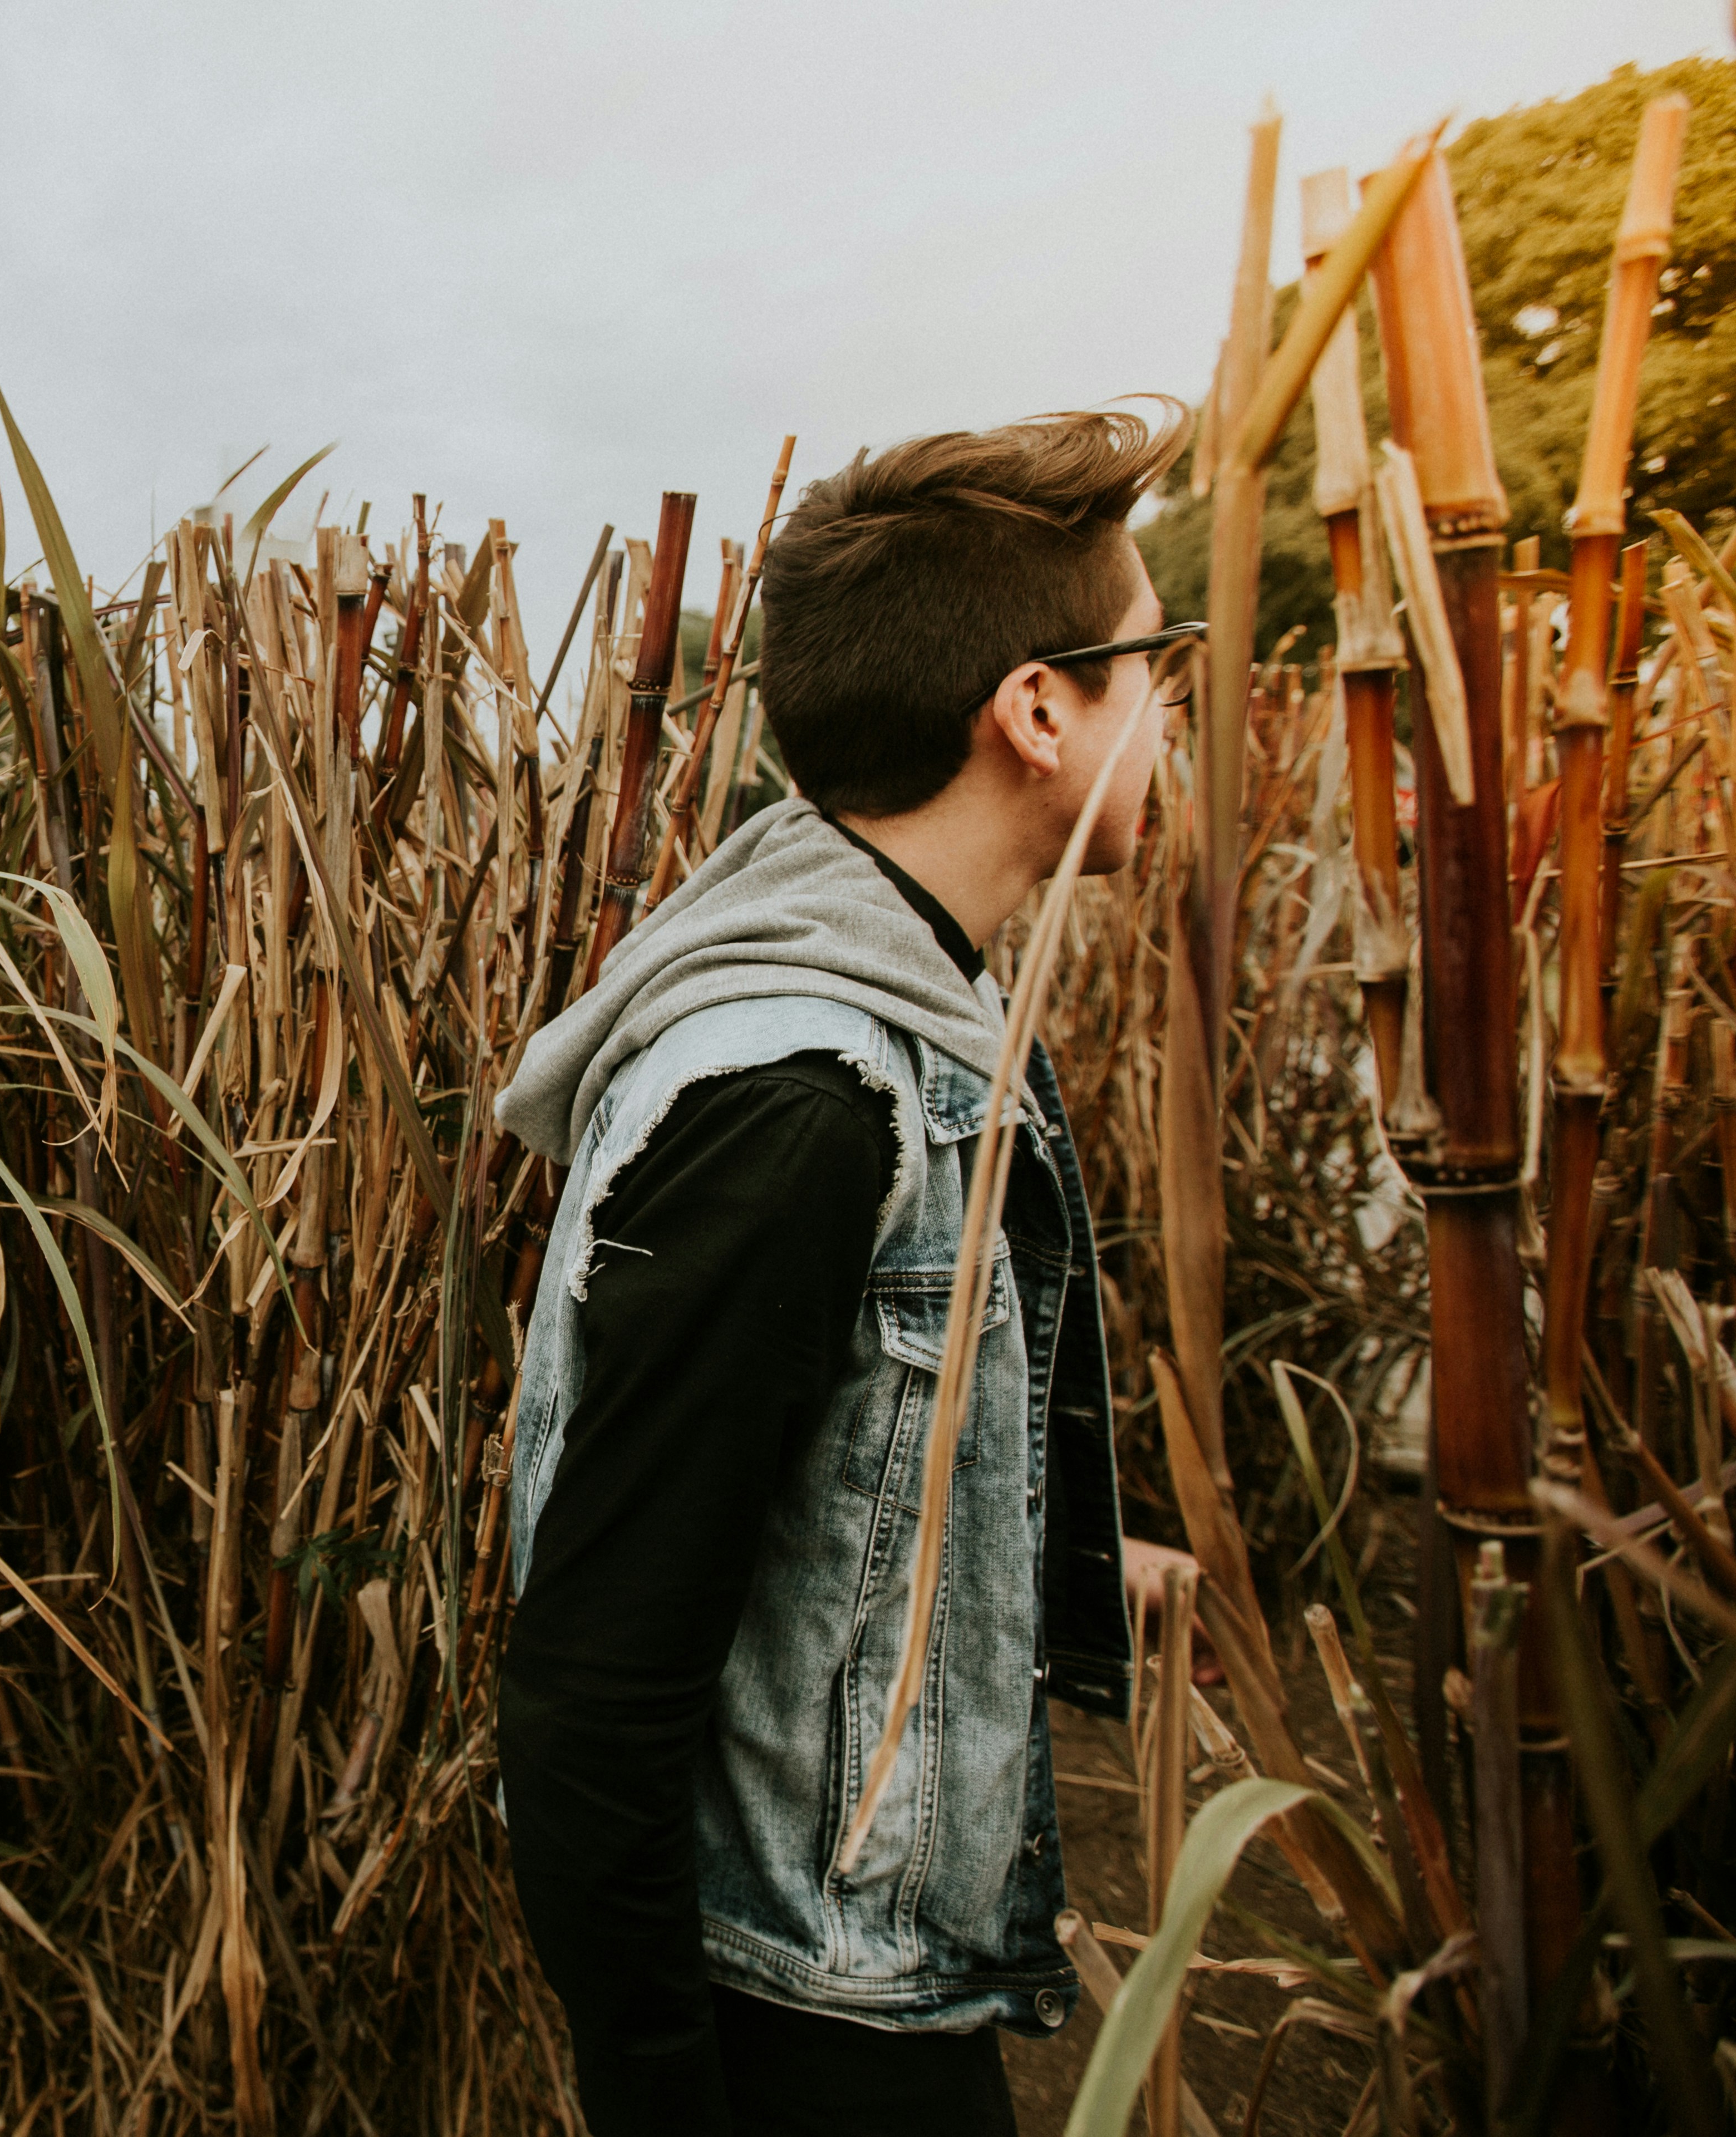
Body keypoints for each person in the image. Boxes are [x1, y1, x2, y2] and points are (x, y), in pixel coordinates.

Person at [492, 407, 1198, 2135]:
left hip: (838, 1986)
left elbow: (846, 1485)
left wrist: (1090, 1553)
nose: (1176, 707)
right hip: (802, 2038)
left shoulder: (921, 1020)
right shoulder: (807, 1102)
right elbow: (594, 1689)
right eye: (1153, 663)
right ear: (1040, 711)